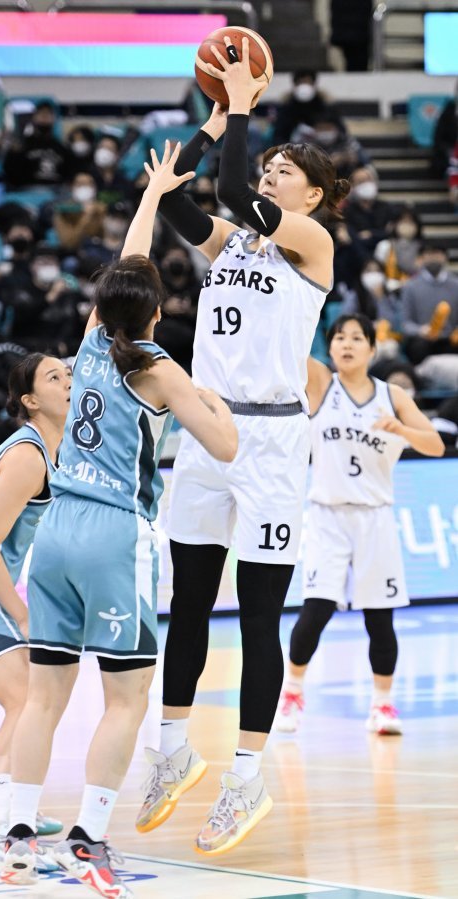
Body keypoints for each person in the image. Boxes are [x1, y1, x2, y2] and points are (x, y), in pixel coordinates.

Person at [0, 141, 238, 895]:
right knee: (128, 697)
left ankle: (15, 827)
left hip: (59, 532)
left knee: (44, 694)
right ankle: (87, 836)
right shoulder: (159, 368)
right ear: (161, 313)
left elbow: (126, 265)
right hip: (115, 535)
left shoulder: (90, 347)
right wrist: (214, 401)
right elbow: (226, 446)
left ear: (103, 308)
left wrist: (152, 194)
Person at [134, 36, 350, 856]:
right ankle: (174, 748)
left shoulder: (313, 246)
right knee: (187, 601)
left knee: (258, 613)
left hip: (270, 441)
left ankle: (246, 773)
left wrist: (245, 116)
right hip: (204, 430)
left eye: (285, 171)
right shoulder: (235, 244)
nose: (268, 177)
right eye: (269, 169)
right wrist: (218, 115)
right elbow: (185, 195)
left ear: (318, 195)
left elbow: (227, 185)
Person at [274, 314, 444, 736]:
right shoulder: (321, 384)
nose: (346, 344)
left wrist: (401, 428)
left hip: (375, 517)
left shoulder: (393, 396)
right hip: (329, 515)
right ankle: (292, 693)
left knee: (379, 618)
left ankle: (382, 705)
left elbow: (436, 446)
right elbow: (286, 342)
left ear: (372, 348)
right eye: (338, 338)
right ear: (329, 348)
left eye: (356, 338)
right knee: (315, 611)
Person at [0, 352, 72, 863]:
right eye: (54, 377)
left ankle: (2, 800)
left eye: (68, 373)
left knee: (31, 697)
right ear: (30, 401)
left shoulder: (57, 448)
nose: (67, 381)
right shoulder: (28, 455)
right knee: (27, 700)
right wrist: (23, 615)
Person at [400, 246, 458, 365]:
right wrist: (420, 330)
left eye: (437, 254)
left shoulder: (455, 285)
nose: (433, 259)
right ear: (422, 258)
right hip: (423, 340)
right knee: (418, 347)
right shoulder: (410, 286)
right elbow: (405, 323)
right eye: (429, 255)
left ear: (445, 257)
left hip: (450, 339)